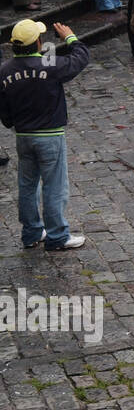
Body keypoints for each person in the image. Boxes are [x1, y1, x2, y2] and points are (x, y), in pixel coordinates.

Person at [0, 19, 89, 250]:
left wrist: (13, 123)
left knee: (27, 186)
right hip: (50, 136)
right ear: (38, 43)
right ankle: (58, 236)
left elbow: (4, 109)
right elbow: (80, 58)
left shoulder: (4, 71)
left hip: (23, 138)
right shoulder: (49, 64)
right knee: (54, 187)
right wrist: (70, 38)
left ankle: (31, 233)